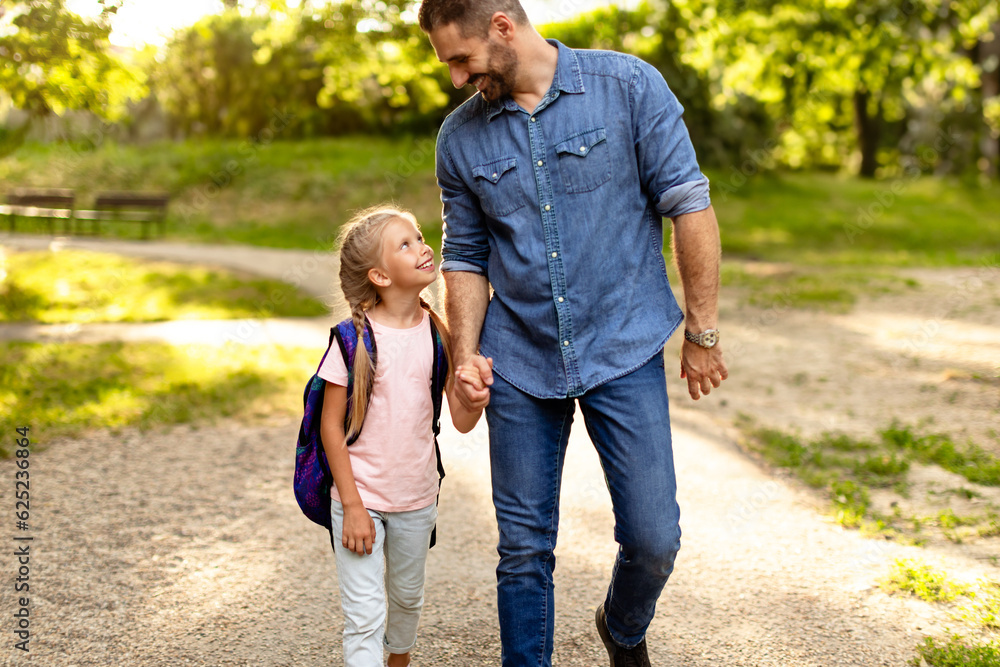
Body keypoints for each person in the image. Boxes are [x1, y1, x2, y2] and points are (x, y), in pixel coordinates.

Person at [417, 1, 729, 665]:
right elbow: (465, 254)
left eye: (460, 59)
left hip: (623, 342)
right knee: (524, 548)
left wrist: (702, 331)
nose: (454, 78)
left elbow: (689, 204)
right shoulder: (460, 138)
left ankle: (620, 625)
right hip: (520, 358)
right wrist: (466, 357)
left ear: (502, 26)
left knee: (654, 537)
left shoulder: (628, 87)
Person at [318, 206, 485, 667]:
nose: (423, 246)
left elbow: (461, 419)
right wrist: (351, 505)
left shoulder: (438, 333)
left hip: (417, 498)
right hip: (360, 498)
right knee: (365, 617)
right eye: (405, 244)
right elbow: (330, 425)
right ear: (380, 275)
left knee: (407, 601)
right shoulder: (353, 339)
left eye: (420, 237)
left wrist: (474, 398)